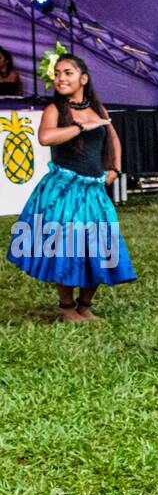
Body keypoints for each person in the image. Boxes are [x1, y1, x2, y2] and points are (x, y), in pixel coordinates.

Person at [5, 53, 135, 320]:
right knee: (66, 247)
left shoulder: (98, 109)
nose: (60, 78)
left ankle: (85, 305)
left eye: (68, 73)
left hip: (93, 189)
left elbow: (113, 138)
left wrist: (116, 169)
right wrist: (81, 126)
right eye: (57, 73)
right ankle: (66, 307)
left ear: (83, 78)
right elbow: (46, 137)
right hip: (63, 188)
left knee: (99, 245)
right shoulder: (55, 110)